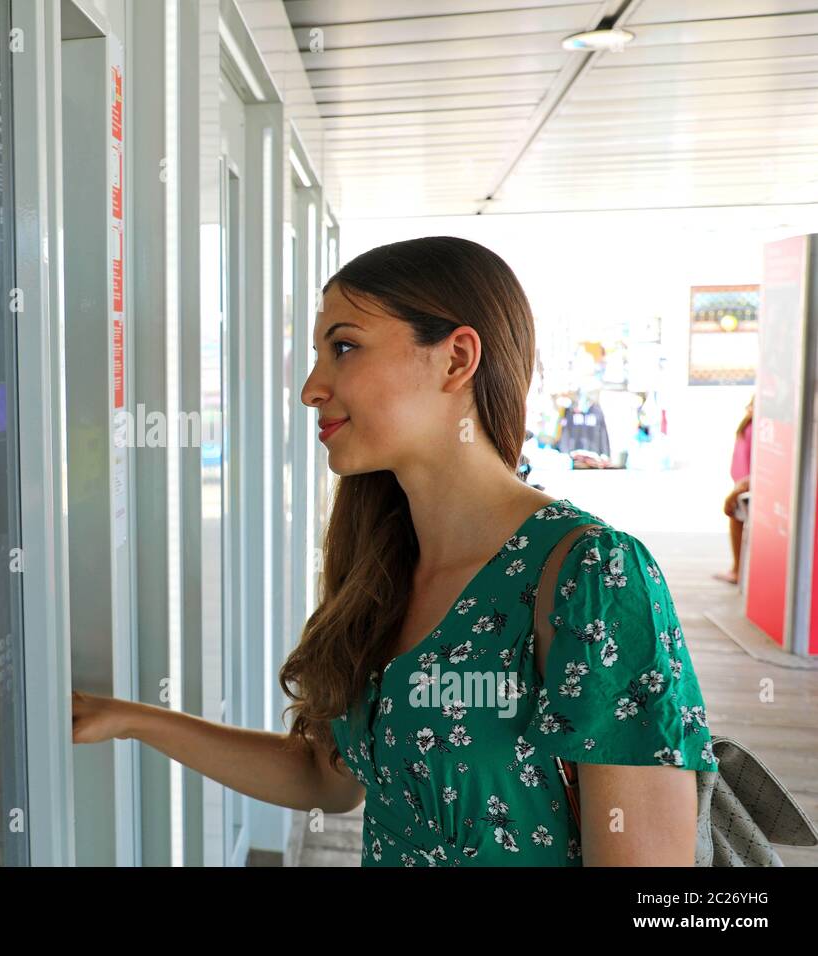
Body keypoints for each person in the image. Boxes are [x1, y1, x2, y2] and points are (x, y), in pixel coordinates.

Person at [72, 237, 717, 866]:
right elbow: (329, 777)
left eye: (345, 348)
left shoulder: (591, 575)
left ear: (457, 359)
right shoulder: (381, 562)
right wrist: (131, 720)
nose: (311, 389)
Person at [714, 397, 753, 585]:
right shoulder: (751, 425)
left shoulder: (756, 427)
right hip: (744, 485)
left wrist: (737, 491)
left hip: (747, 487)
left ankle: (738, 569)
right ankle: (737, 568)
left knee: (734, 515)